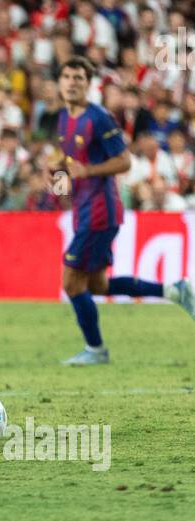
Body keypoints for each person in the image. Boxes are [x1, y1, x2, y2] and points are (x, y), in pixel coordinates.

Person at [49, 56, 195, 365]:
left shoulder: (98, 117)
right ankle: (174, 290)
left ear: (88, 85)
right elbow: (69, 161)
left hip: (100, 210)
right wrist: (60, 172)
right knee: (97, 285)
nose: (72, 82)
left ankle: (96, 350)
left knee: (71, 282)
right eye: (67, 77)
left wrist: (88, 171)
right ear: (59, 82)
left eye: (79, 77)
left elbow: (125, 161)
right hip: (83, 209)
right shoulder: (64, 118)